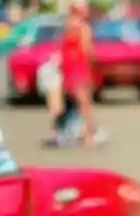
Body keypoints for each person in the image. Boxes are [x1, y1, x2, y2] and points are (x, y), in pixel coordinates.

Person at [59, 0, 101, 147]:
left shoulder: (75, 27)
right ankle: (84, 133)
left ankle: (89, 134)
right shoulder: (79, 27)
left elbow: (86, 50)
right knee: (81, 102)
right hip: (75, 68)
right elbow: (89, 51)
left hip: (76, 68)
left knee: (83, 103)